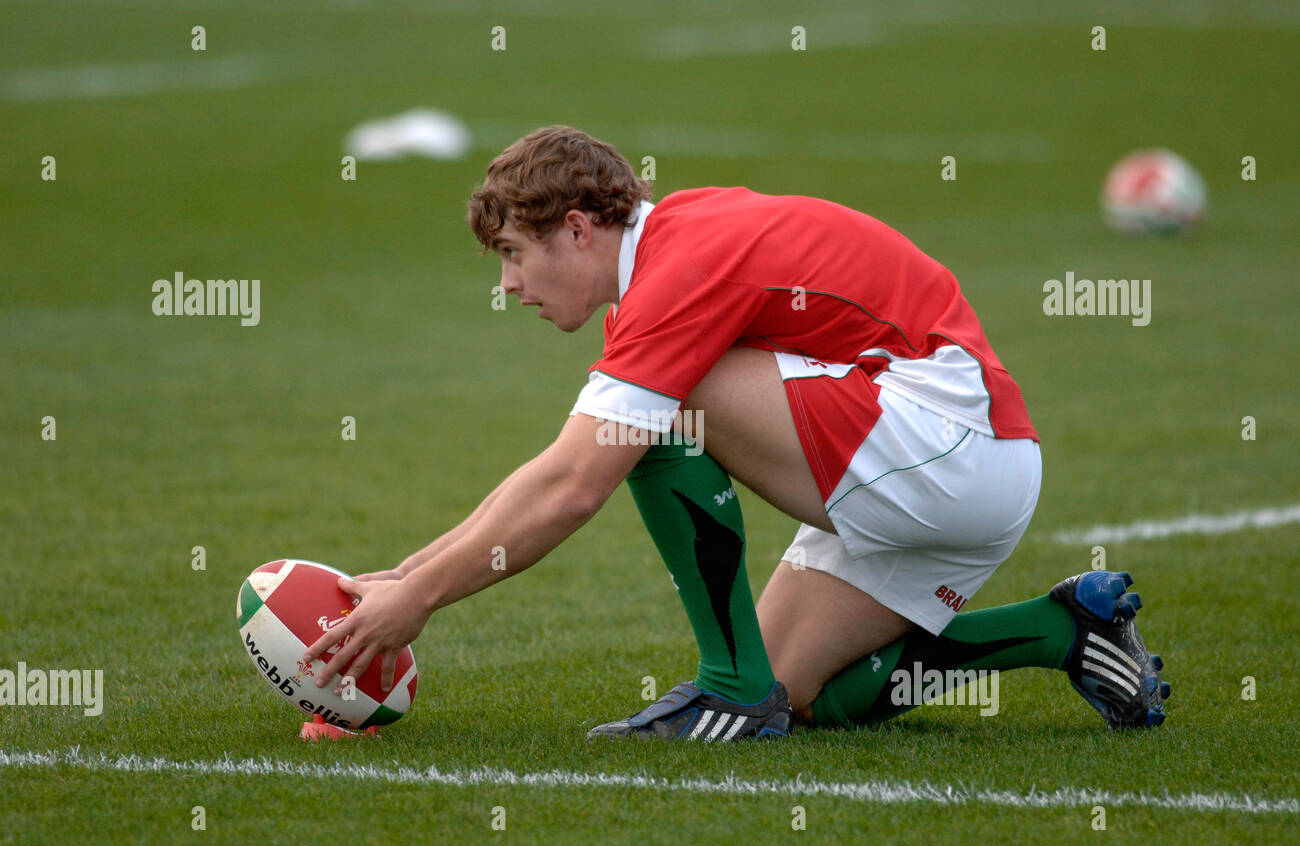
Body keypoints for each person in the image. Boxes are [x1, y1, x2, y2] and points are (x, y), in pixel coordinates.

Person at [302, 125, 1170, 739]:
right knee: (802, 692)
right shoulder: (673, 248)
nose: (507, 285)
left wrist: (420, 602)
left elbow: (572, 484)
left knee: (653, 414)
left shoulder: (678, 268)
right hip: (959, 467)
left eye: (514, 256)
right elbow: (560, 469)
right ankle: (1063, 632)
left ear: (576, 229)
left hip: (941, 445)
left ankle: (728, 689)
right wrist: (407, 576)